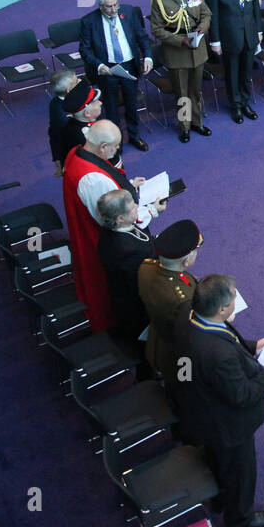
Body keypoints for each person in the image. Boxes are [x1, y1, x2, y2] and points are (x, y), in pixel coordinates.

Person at [179, 273, 264, 527]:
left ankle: (218, 496)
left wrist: (252, 347)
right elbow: (243, 395)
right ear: (222, 309)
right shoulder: (219, 354)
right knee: (241, 471)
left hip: (201, 408)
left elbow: (228, 341)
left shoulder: (189, 314)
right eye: (233, 300)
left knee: (218, 461)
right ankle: (239, 519)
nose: (236, 303)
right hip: (228, 425)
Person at [62, 120, 163, 332]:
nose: (117, 150)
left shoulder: (78, 153)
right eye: (115, 146)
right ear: (102, 147)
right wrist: (152, 210)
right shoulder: (92, 179)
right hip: (111, 246)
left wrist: (129, 185)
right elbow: (117, 217)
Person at [79, 0, 152, 150]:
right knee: (111, 108)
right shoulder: (89, 21)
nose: (113, 10)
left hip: (129, 66)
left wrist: (147, 56)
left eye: (115, 5)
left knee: (131, 104)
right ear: (100, 6)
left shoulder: (128, 12)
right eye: (108, 7)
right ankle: (115, 142)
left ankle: (134, 136)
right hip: (107, 69)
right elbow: (84, 50)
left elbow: (142, 37)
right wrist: (99, 65)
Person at [150, 0, 212, 143]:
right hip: (177, 51)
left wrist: (203, 26)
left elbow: (206, 13)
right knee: (182, 93)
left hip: (198, 48)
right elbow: (157, 29)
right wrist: (181, 40)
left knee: (196, 90)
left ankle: (197, 122)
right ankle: (185, 126)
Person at [139, 219, 202, 392]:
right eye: (195, 251)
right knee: (186, 385)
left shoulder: (146, 267)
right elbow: (192, 336)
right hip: (178, 355)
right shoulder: (182, 301)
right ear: (186, 261)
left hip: (155, 339)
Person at [206, 0, 262, 124]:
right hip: (229, 38)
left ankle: (245, 102)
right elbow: (213, 16)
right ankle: (236, 106)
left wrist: (259, 30)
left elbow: (255, 9)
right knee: (232, 74)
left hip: (249, 35)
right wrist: (215, 41)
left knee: (246, 72)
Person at [96, 188, 154, 346]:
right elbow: (147, 280)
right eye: (132, 207)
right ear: (120, 218)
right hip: (139, 311)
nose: (136, 206)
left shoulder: (114, 230)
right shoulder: (126, 250)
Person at [48, 69, 79, 175]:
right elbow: (55, 137)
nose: (79, 81)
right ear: (68, 90)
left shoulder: (56, 101)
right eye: (76, 82)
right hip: (72, 155)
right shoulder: (62, 115)